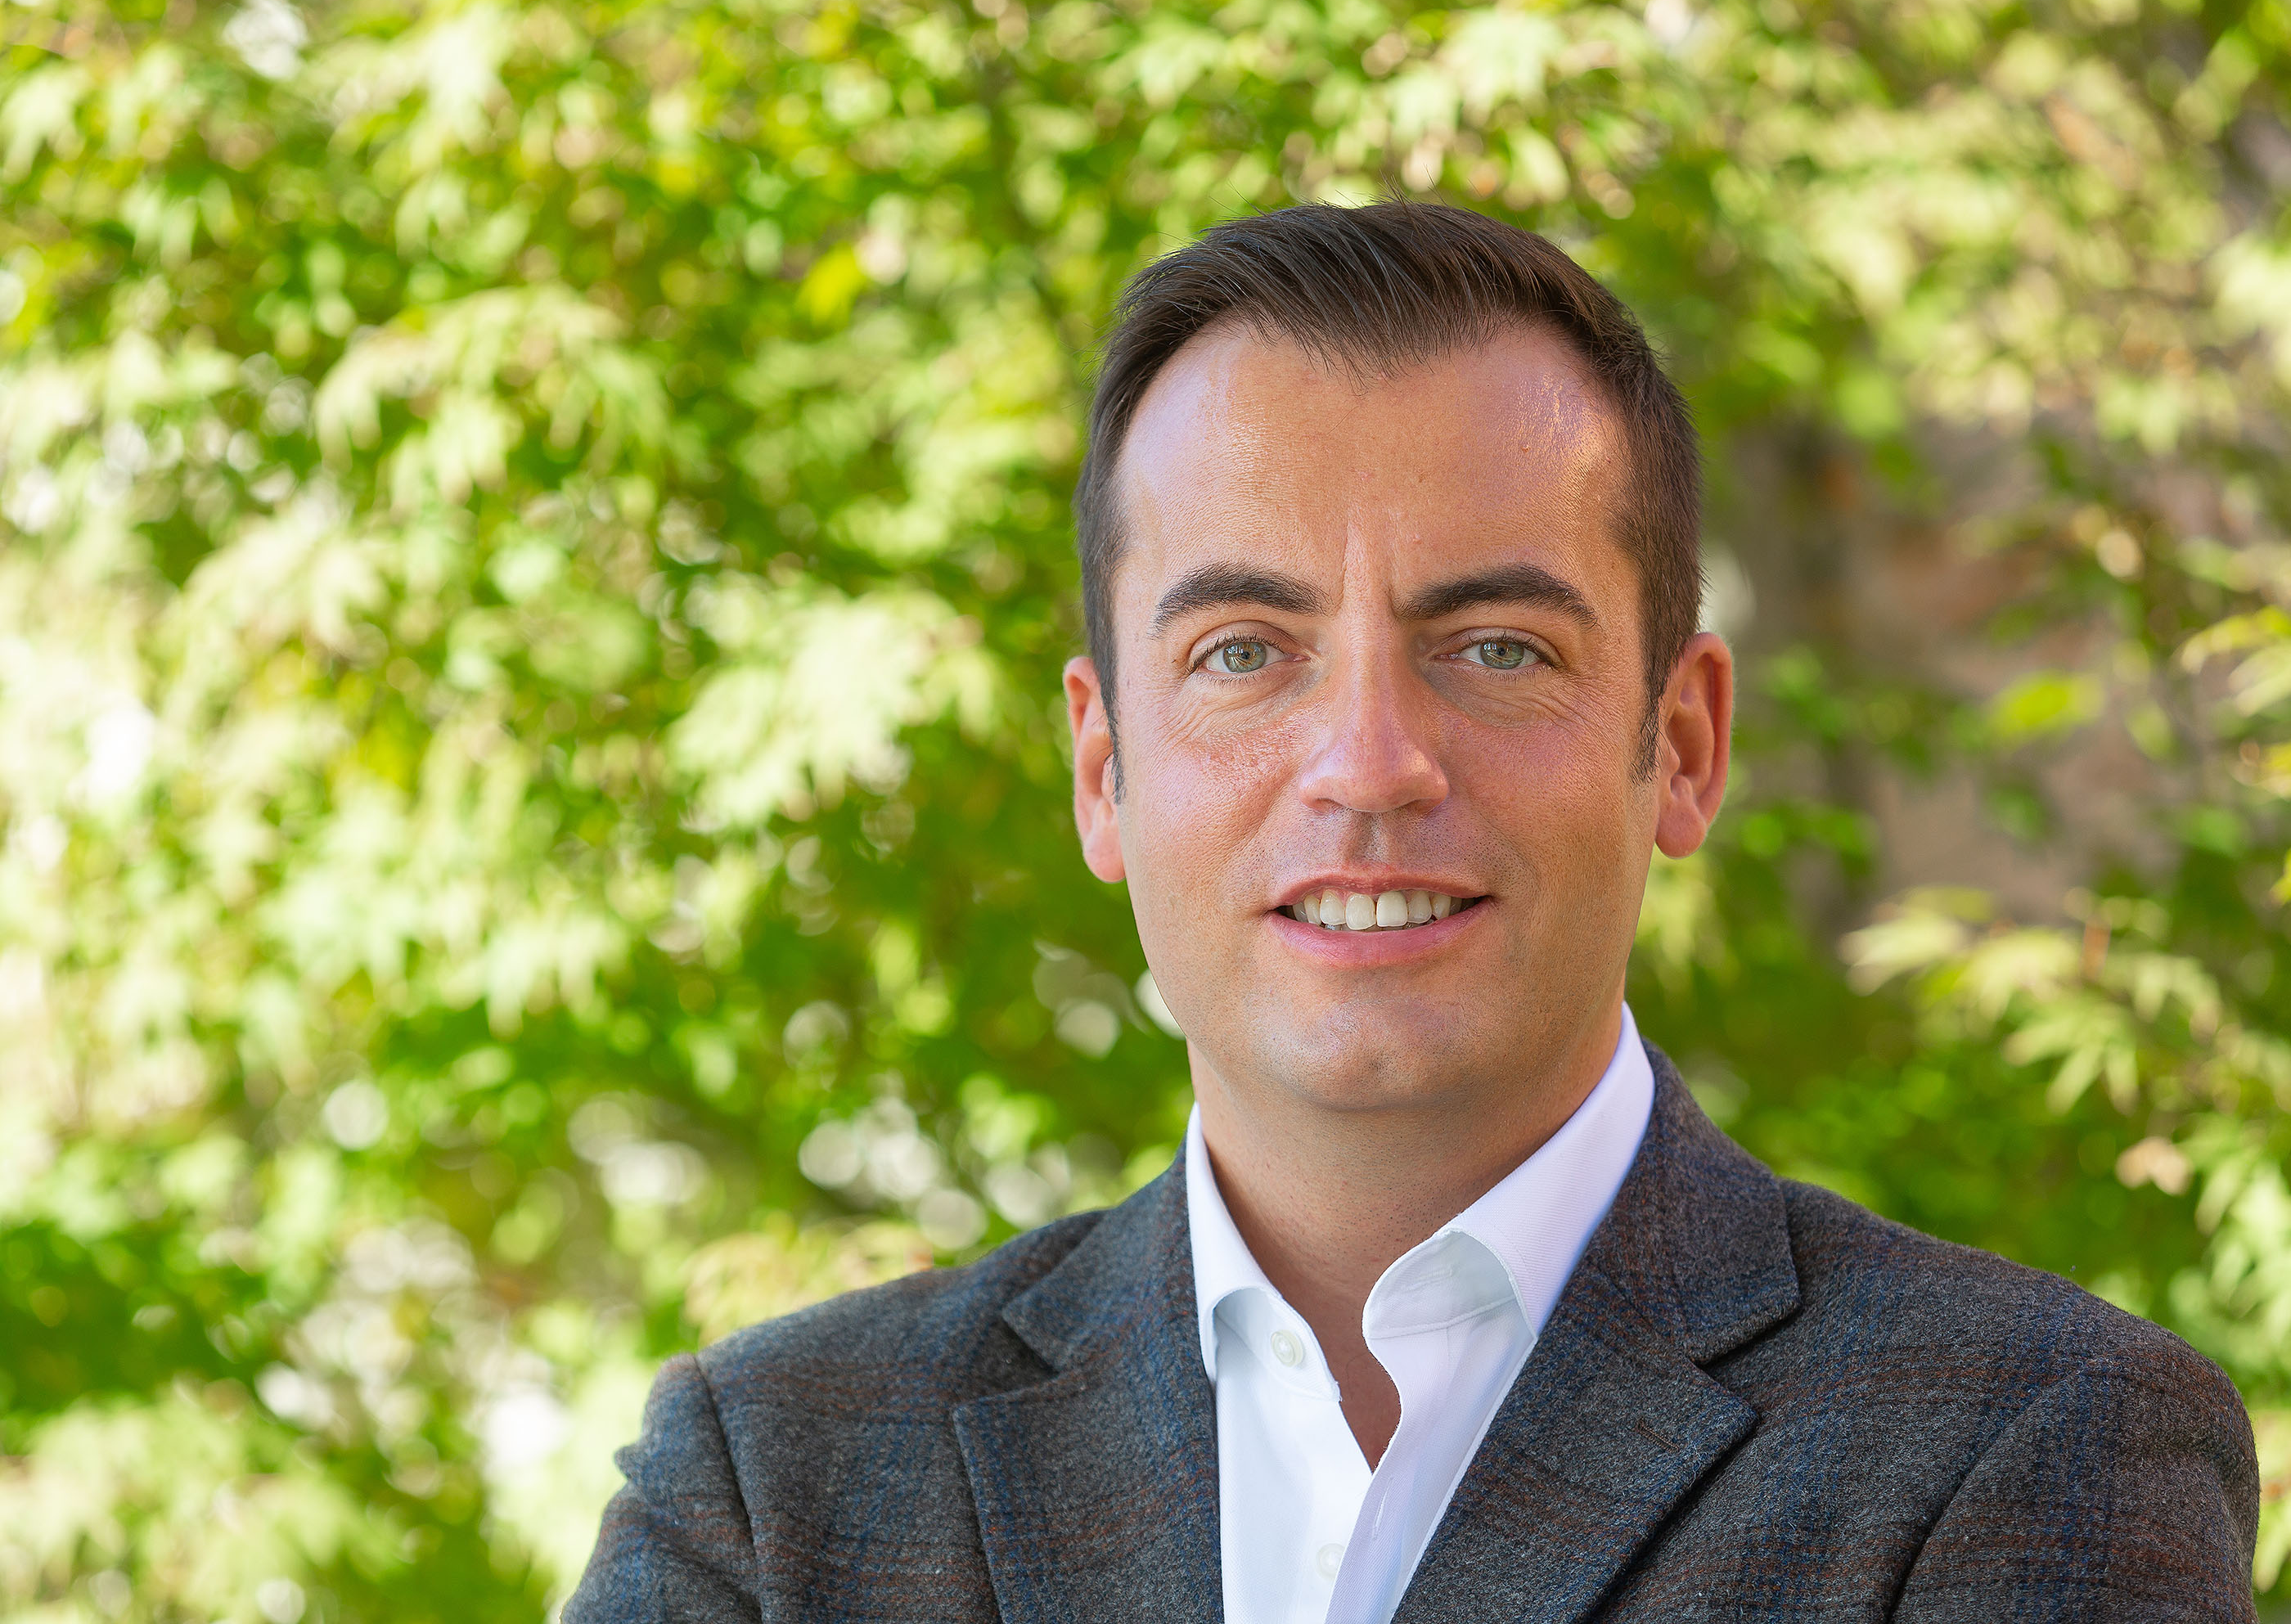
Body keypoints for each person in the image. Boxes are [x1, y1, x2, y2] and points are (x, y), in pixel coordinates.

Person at [565, 201, 2259, 1622]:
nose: (1368, 763)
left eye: (1496, 647)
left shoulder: (2032, 1442)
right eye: (1245, 652)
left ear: (1680, 746)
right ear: (1104, 769)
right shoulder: (777, 1490)